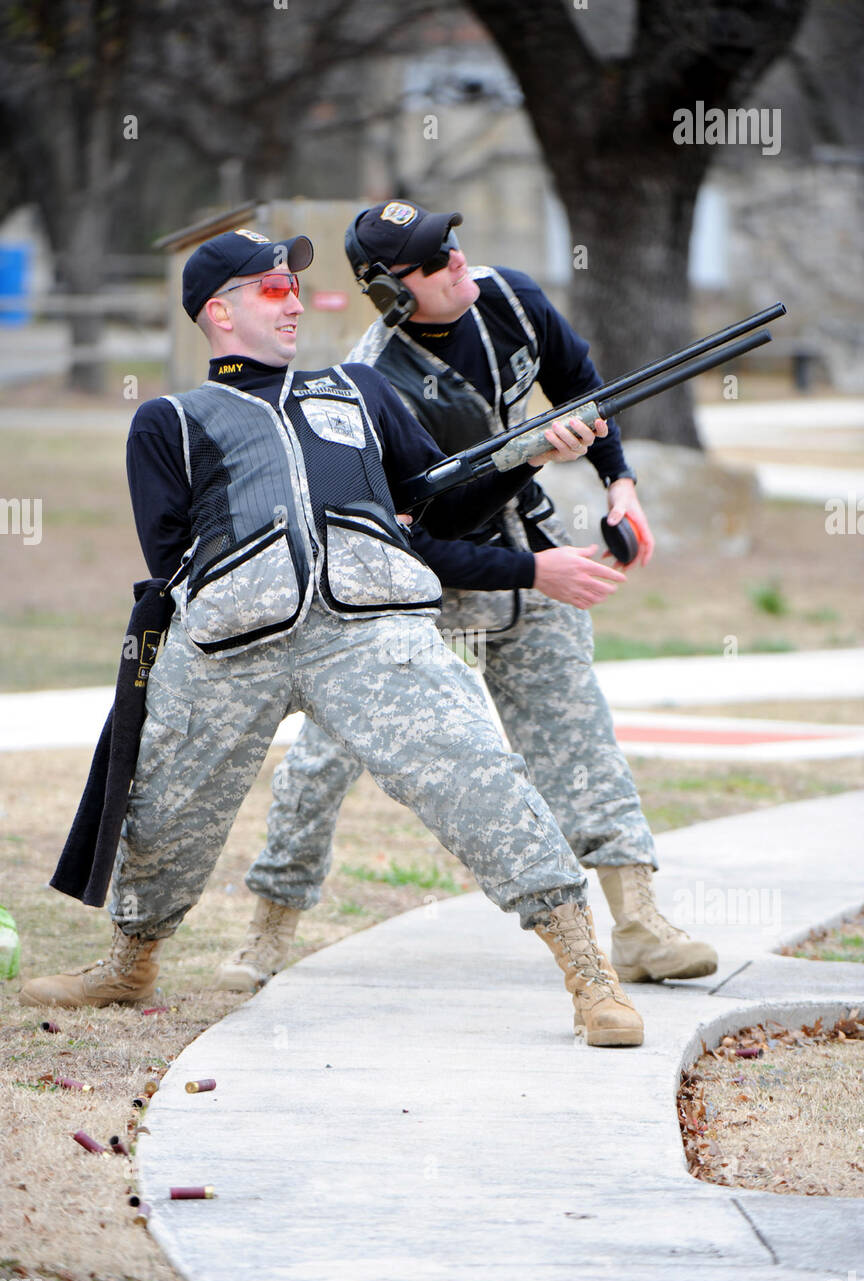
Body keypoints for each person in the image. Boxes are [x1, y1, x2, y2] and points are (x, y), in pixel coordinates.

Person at [20, 225, 645, 1047]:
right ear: (219, 311)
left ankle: (589, 974)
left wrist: (529, 454)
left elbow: (438, 507)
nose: (293, 303)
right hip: (230, 646)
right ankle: (129, 962)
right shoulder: (169, 421)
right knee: (163, 807)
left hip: (370, 637)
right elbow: (171, 556)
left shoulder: (358, 390)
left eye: (294, 288)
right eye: (272, 289)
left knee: (478, 773)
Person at [221, 201, 717, 995]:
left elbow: (582, 386)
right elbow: (411, 537)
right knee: (321, 760)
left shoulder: (510, 298)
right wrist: (533, 549)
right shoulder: (369, 384)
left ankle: (639, 925)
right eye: (434, 258)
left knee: (579, 734)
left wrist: (618, 482)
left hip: (528, 561)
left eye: (452, 242)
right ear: (393, 292)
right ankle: (269, 930)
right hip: (411, 595)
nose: (458, 260)